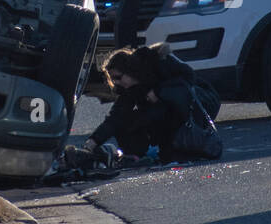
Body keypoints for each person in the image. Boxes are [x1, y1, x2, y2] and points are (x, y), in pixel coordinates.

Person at [82, 44, 217, 161]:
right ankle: (139, 153)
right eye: (113, 79)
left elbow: (188, 77)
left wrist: (158, 91)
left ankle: (177, 145)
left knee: (158, 110)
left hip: (198, 102)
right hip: (169, 110)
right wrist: (94, 141)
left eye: (118, 77)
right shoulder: (129, 89)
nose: (117, 82)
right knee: (129, 120)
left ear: (129, 70)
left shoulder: (157, 62)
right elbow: (116, 116)